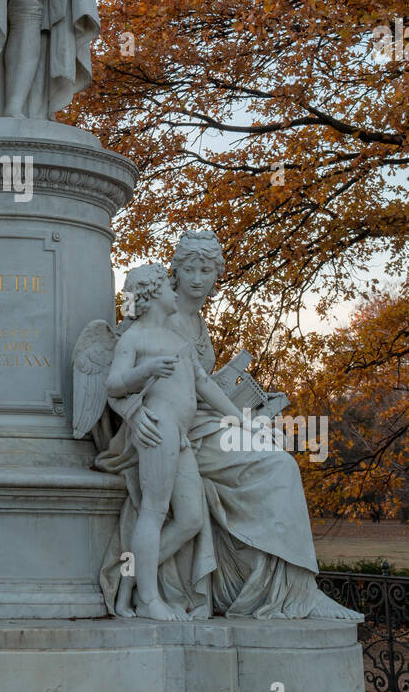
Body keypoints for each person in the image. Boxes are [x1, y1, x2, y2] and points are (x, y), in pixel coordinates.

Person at [122, 230, 360, 620]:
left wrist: (245, 418)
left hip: (208, 422)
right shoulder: (157, 315)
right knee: (279, 468)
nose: (198, 279)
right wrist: (133, 414)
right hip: (185, 432)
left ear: (216, 275)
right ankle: (291, 593)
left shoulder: (196, 321)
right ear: (174, 273)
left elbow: (199, 383)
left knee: (279, 457)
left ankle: (293, 590)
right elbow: (123, 373)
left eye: (206, 270)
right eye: (189, 269)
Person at [105, 264, 247, 620]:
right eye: (169, 288)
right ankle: (150, 599)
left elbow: (204, 385)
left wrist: (238, 418)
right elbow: (113, 385)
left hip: (179, 437)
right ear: (153, 296)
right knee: (153, 511)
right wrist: (146, 371)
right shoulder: (135, 337)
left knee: (190, 520)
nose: (175, 292)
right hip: (158, 429)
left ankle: (131, 584)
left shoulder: (175, 339)